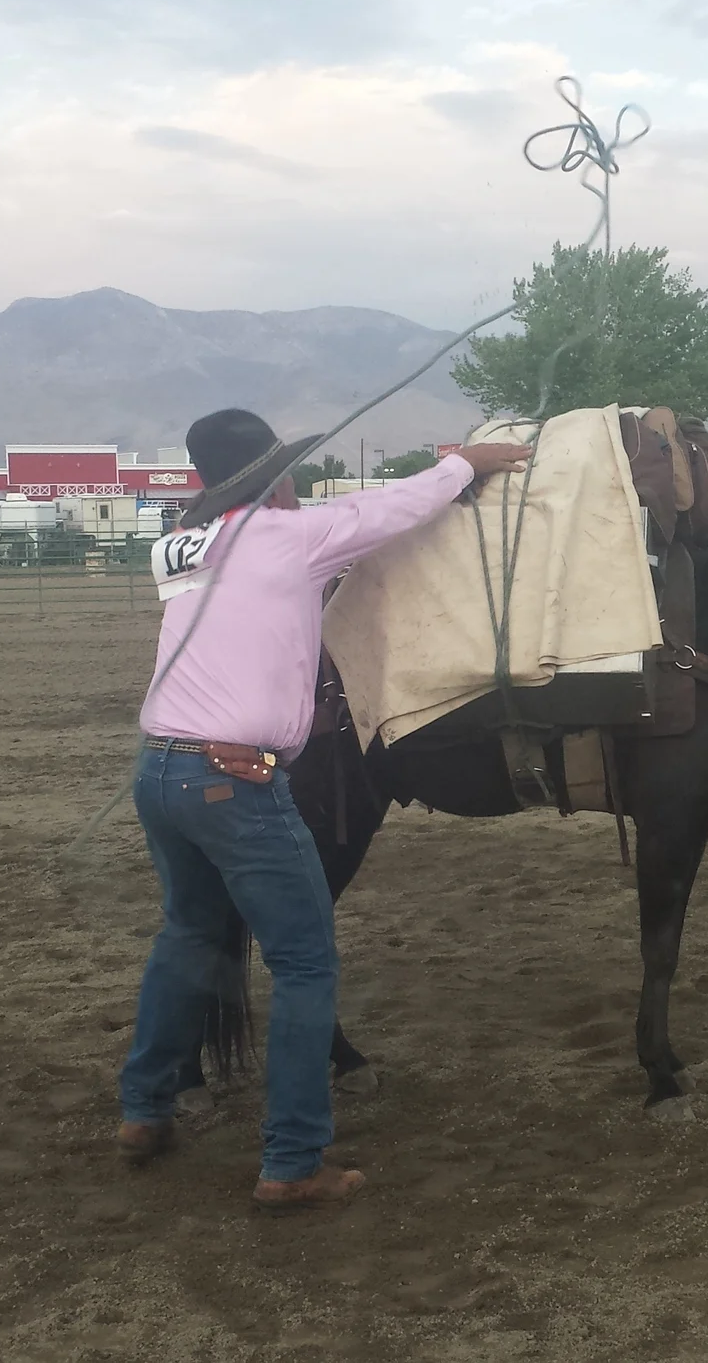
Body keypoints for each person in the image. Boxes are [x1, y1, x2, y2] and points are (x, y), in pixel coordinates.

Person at [119, 408, 531, 1209]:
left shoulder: (174, 548)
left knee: (188, 935)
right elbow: (394, 509)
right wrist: (465, 465)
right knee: (305, 963)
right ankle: (292, 1159)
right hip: (233, 781)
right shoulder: (288, 536)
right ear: (273, 478)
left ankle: (144, 1109)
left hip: (162, 773)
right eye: (287, 470)